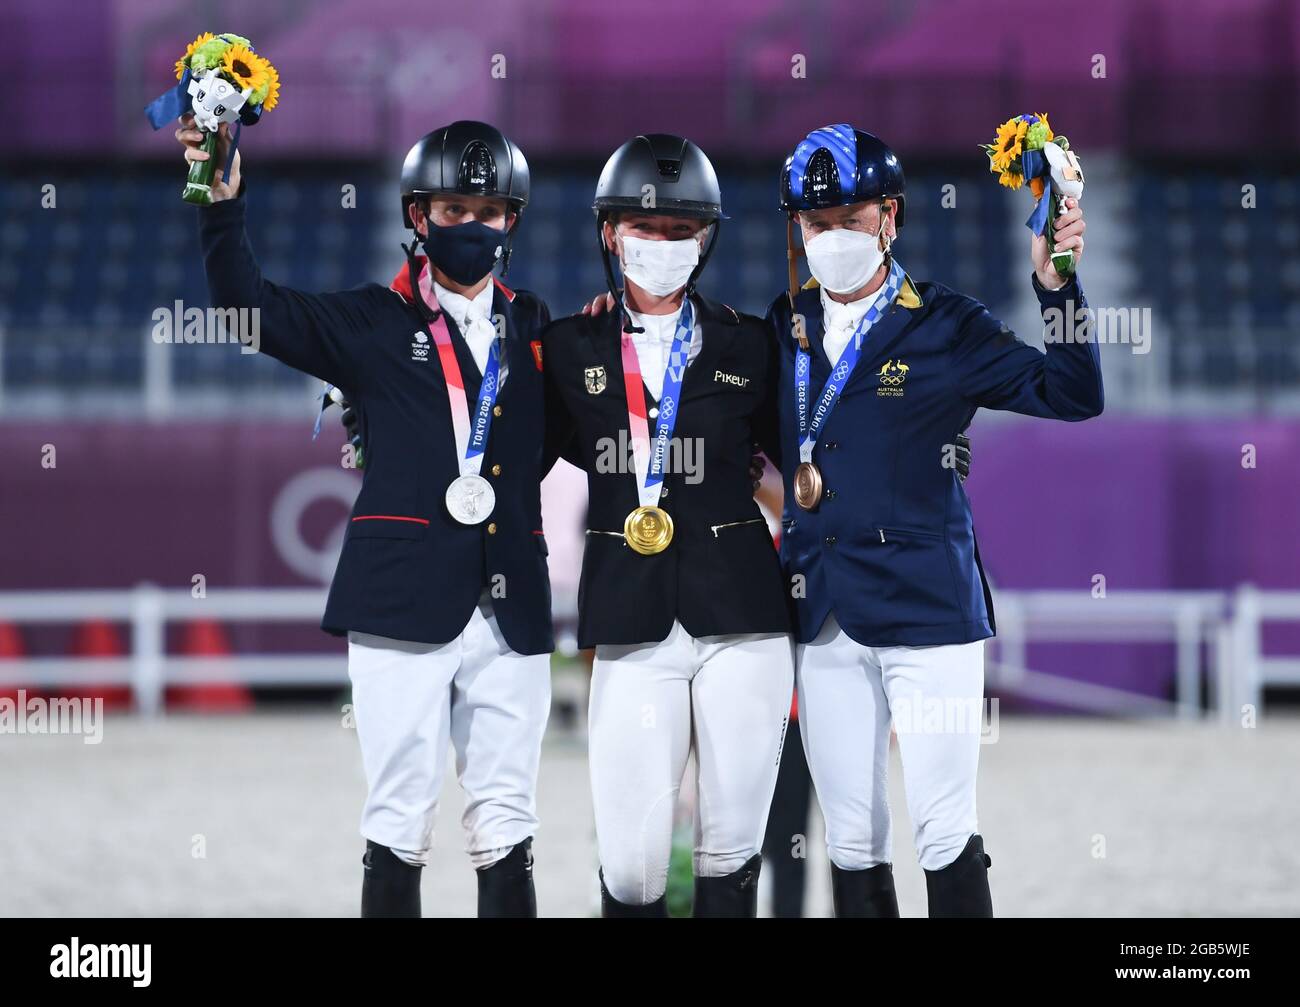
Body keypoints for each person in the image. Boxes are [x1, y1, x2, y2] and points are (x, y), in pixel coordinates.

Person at [180, 117, 561, 918]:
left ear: (512, 220)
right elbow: (246, 308)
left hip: (512, 606)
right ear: (418, 218)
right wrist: (221, 201)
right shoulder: (366, 323)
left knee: (509, 826)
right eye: (451, 210)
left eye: (486, 210)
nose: (471, 225)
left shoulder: (537, 331)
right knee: (399, 820)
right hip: (399, 603)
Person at [767, 124, 1102, 917]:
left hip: (929, 612)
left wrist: (1057, 289)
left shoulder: (948, 323)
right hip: (821, 616)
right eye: (817, 223)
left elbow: (1073, 393)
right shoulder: (782, 329)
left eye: (851, 218)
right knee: (851, 837)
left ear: (890, 217)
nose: (833, 236)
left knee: (944, 829)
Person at [544, 134, 794, 917]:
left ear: (705, 239)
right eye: (643, 228)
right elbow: (504, 454)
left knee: (729, 857)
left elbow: (813, 461)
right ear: (610, 232)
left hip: (744, 623)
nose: (660, 243)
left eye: (680, 230)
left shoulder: (751, 344)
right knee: (631, 868)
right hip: (632, 623)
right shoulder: (565, 347)